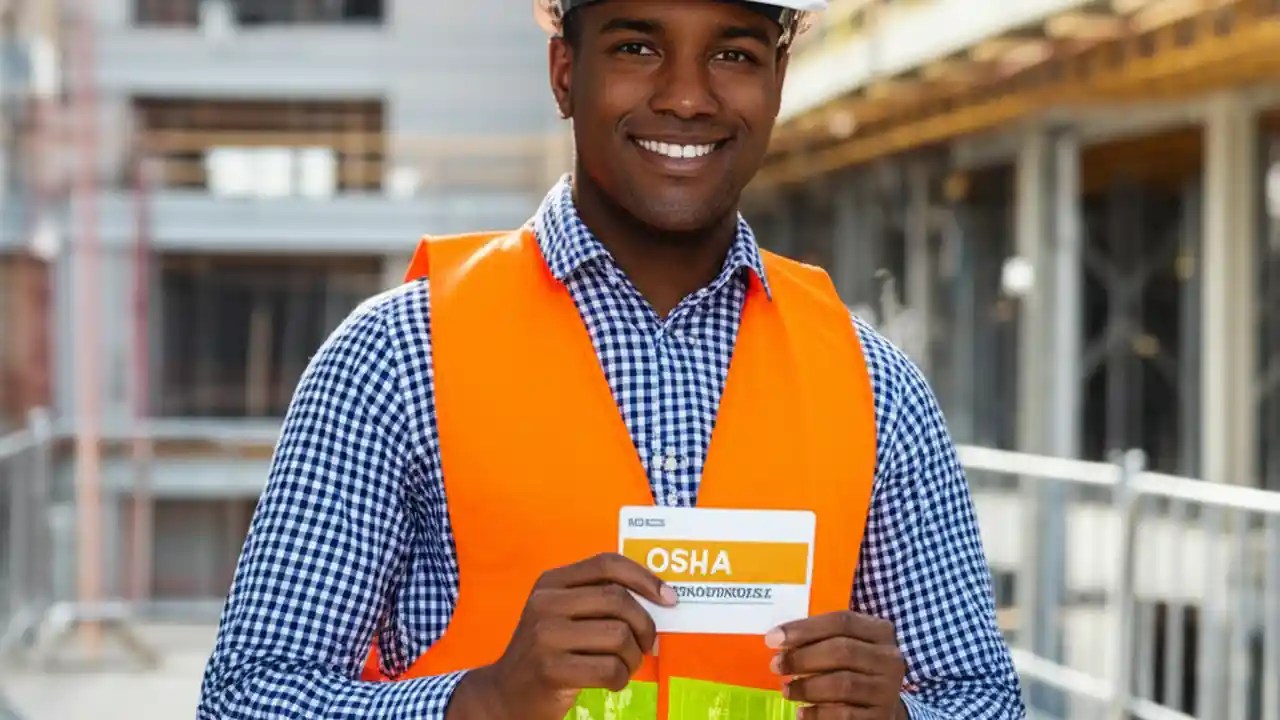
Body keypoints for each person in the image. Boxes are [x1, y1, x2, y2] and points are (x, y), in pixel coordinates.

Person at [197, 0, 1026, 718]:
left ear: (778, 76)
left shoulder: (872, 385)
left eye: (733, 54)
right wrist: (479, 703)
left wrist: (901, 718)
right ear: (565, 71)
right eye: (637, 47)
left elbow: (984, 698)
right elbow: (247, 697)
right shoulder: (397, 359)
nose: (689, 96)